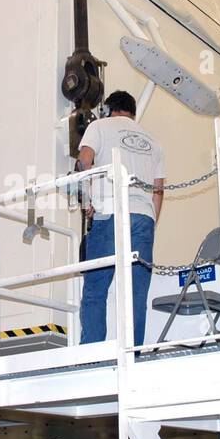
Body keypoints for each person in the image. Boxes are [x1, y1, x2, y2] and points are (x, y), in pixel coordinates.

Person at [76, 91, 165, 346]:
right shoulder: (154, 143)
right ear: (133, 113)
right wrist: (148, 223)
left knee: (96, 289)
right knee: (137, 294)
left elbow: (84, 162)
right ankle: (132, 353)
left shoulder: (99, 126)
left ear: (108, 109)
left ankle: (92, 353)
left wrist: (87, 201)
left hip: (109, 214)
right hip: (143, 218)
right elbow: (158, 191)